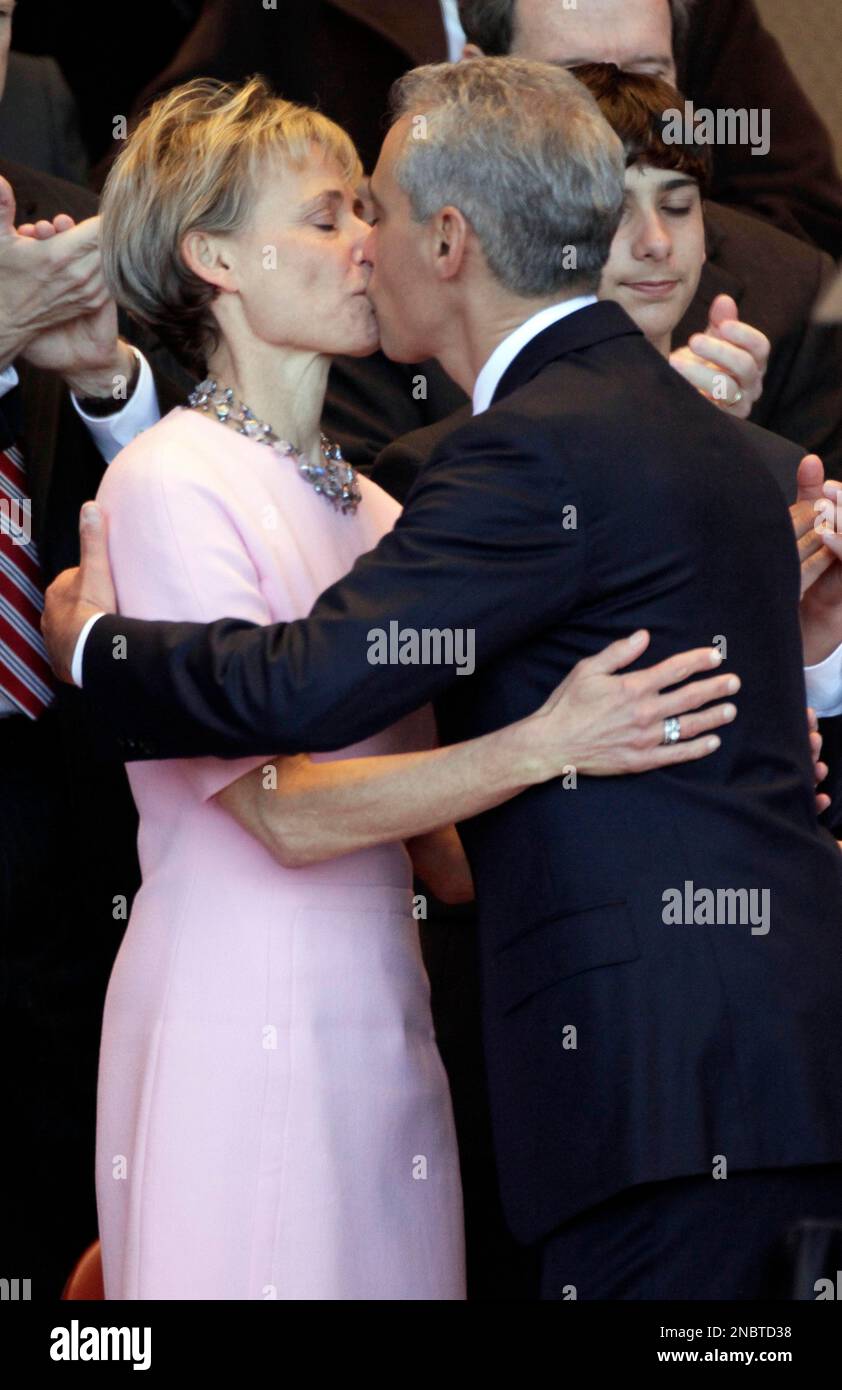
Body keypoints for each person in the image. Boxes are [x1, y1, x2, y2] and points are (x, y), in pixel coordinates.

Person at [44, 58, 842, 1300]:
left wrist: (96, 648)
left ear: (451, 238)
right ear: (214, 258)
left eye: (369, 209)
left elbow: (445, 842)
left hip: (455, 1038)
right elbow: (277, 805)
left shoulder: (395, 505)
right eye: (330, 214)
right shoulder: (172, 476)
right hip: (248, 1010)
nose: (366, 241)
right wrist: (549, 744)